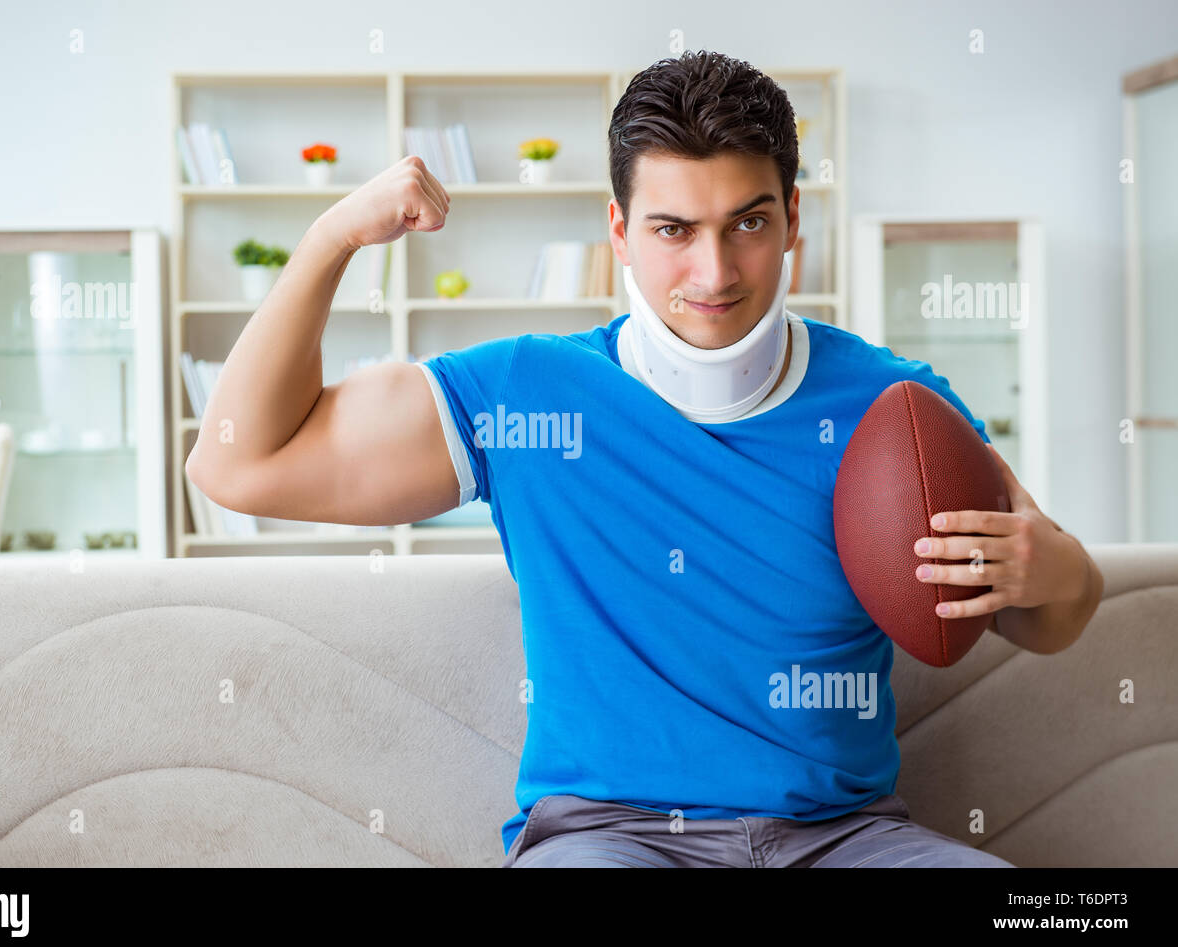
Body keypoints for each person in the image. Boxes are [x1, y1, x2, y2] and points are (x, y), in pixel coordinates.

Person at [187, 49, 1100, 868]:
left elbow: (1048, 619)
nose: (713, 272)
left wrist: (1052, 567)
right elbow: (239, 465)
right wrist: (332, 237)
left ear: (792, 219)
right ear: (618, 232)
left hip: (848, 837)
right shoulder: (524, 397)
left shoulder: (895, 405)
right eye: (673, 230)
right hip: (608, 838)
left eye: (746, 223)